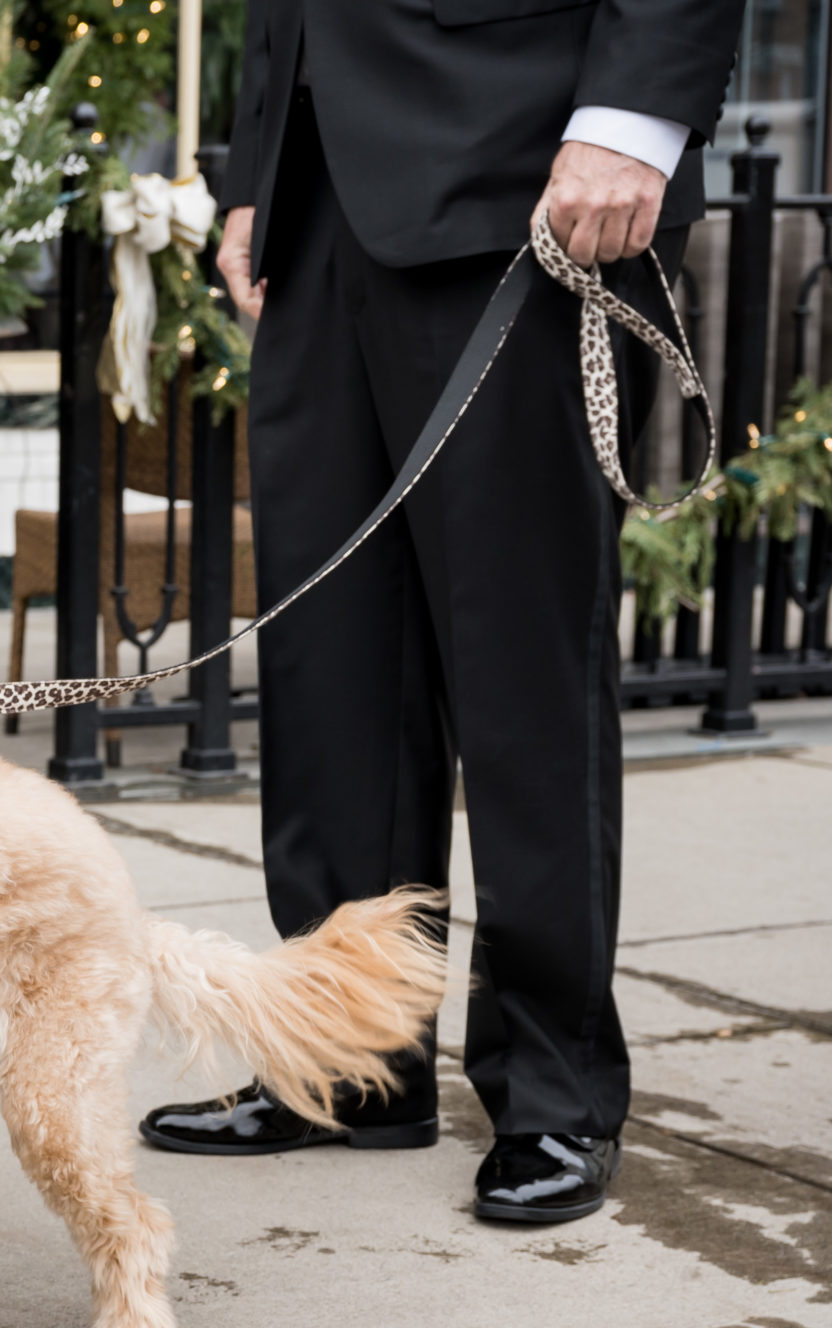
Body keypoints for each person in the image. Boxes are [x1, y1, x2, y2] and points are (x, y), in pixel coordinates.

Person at [136, 0, 742, 1224]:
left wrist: (632, 117)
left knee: (519, 667)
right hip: (321, 201)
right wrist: (262, 163)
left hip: (521, 167)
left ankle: (552, 1088)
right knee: (331, 670)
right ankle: (348, 1062)